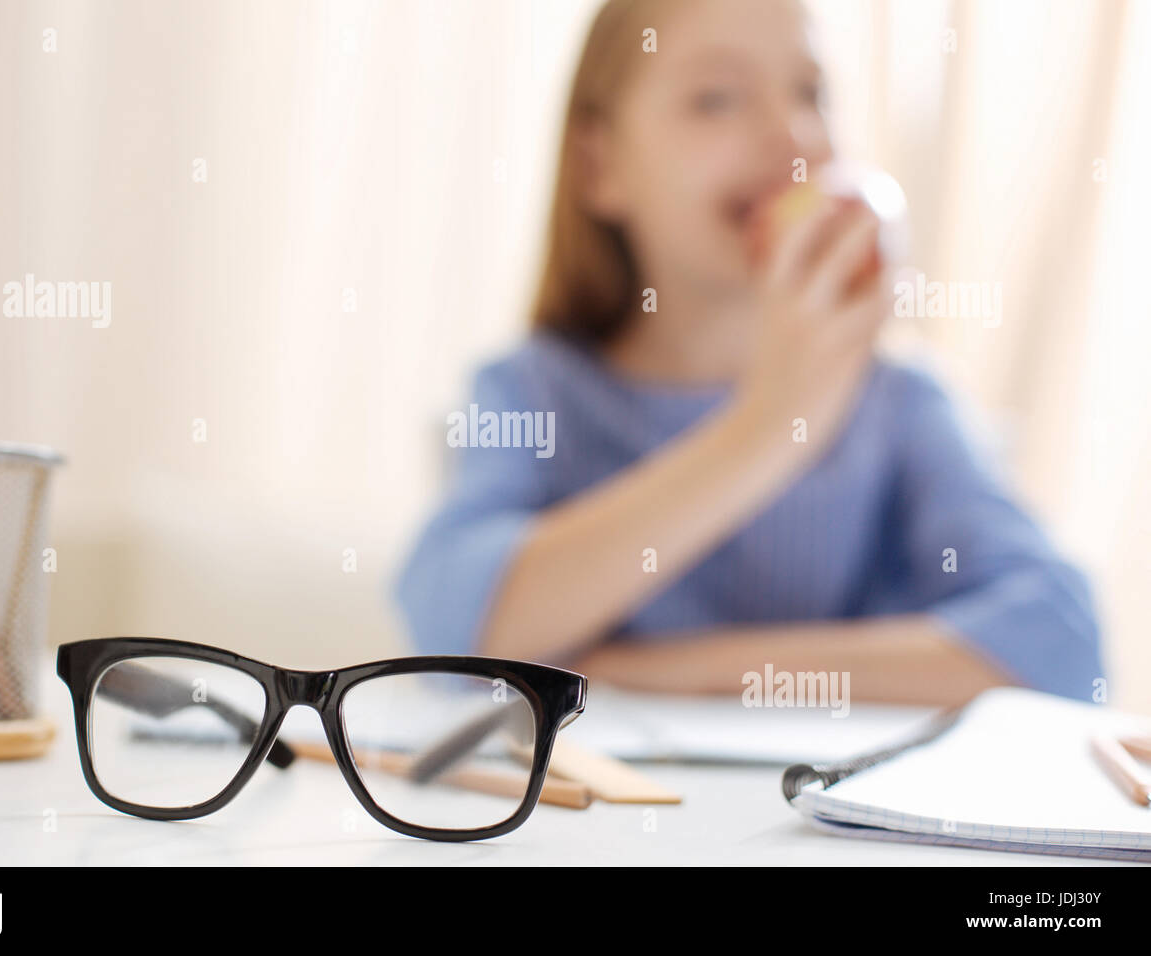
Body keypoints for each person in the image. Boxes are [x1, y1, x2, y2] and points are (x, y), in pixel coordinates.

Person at [395, 0, 1101, 706]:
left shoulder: (899, 404)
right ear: (599, 164)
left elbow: (1065, 645)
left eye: (809, 93)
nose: (792, 133)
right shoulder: (533, 391)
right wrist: (768, 426)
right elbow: (451, 629)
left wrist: (645, 671)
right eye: (716, 99)